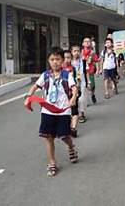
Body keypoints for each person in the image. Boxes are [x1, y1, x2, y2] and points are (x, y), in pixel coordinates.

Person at [26, 47, 79, 177]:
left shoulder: (67, 75)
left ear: (62, 61)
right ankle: (52, 163)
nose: (55, 62)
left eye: (58, 59)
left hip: (63, 111)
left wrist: (73, 98)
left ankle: (71, 146)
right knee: (48, 137)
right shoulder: (45, 75)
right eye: (52, 59)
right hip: (48, 111)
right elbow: (35, 87)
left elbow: (74, 89)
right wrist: (28, 97)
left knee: (64, 136)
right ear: (49, 61)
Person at [71, 45, 89, 124]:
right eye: (75, 51)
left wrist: (88, 82)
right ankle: (73, 114)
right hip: (72, 82)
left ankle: (82, 114)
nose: (76, 53)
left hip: (82, 82)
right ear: (71, 52)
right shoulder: (69, 62)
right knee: (72, 98)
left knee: (82, 99)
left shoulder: (83, 61)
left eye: (78, 51)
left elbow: (86, 72)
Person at [82, 37, 99, 104]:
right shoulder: (81, 52)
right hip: (83, 72)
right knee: (85, 86)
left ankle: (92, 94)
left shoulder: (92, 53)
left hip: (90, 71)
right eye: (85, 41)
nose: (87, 43)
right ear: (83, 44)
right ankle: (87, 101)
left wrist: (97, 70)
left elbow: (96, 61)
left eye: (88, 41)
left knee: (92, 86)